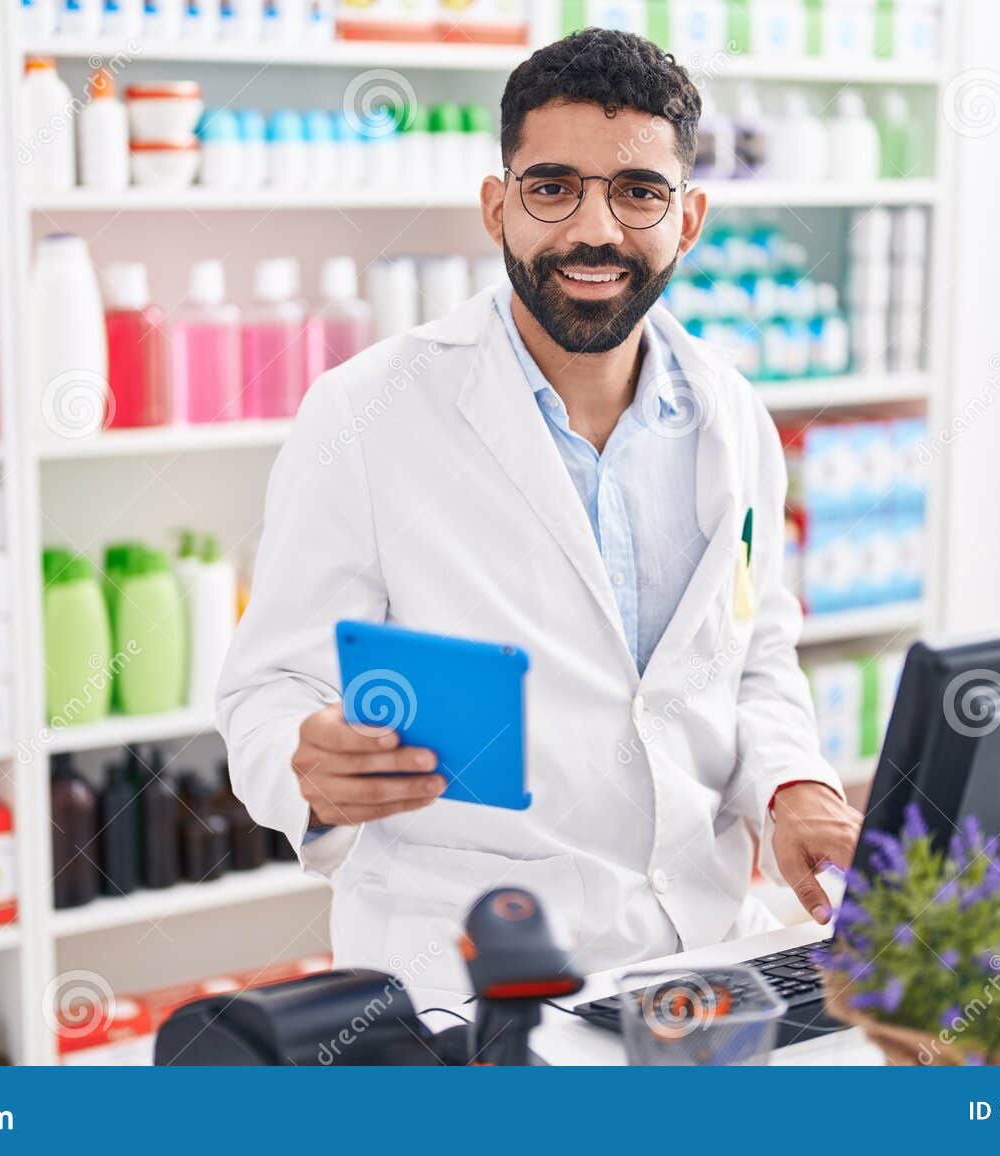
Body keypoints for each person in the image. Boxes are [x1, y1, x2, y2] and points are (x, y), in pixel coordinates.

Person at [218, 28, 862, 991]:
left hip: (706, 951)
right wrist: (303, 765)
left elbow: (755, 653)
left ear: (687, 219)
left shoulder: (731, 413)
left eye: (637, 191)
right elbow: (266, 690)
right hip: (468, 970)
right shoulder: (366, 412)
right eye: (553, 187)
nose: (593, 230)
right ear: (497, 208)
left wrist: (794, 784)